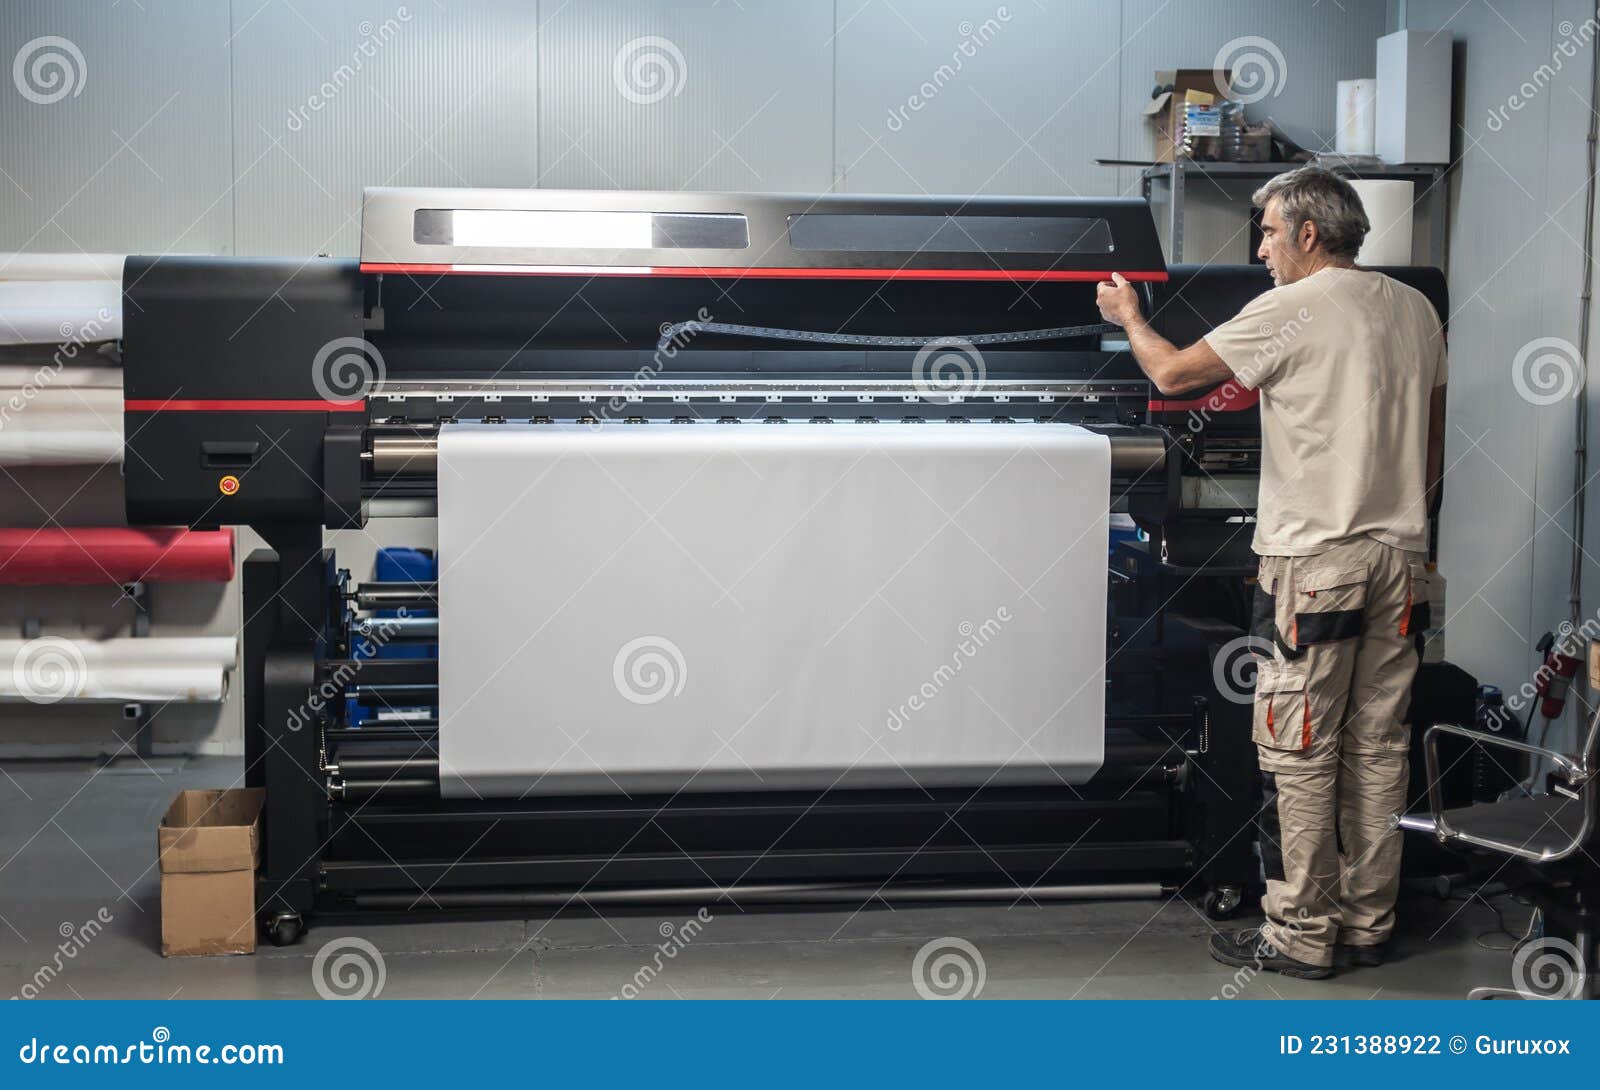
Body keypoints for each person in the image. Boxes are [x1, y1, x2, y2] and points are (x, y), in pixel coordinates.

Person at [1095, 166, 1448, 978]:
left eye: (1269, 232)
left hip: (1315, 562)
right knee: (1378, 746)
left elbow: (1174, 377)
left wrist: (1129, 315)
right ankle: (1367, 923)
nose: (1262, 249)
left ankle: (1300, 933)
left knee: (1299, 747)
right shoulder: (1417, 308)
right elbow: (1428, 446)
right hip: (1402, 560)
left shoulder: (1292, 307)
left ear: (1309, 235)